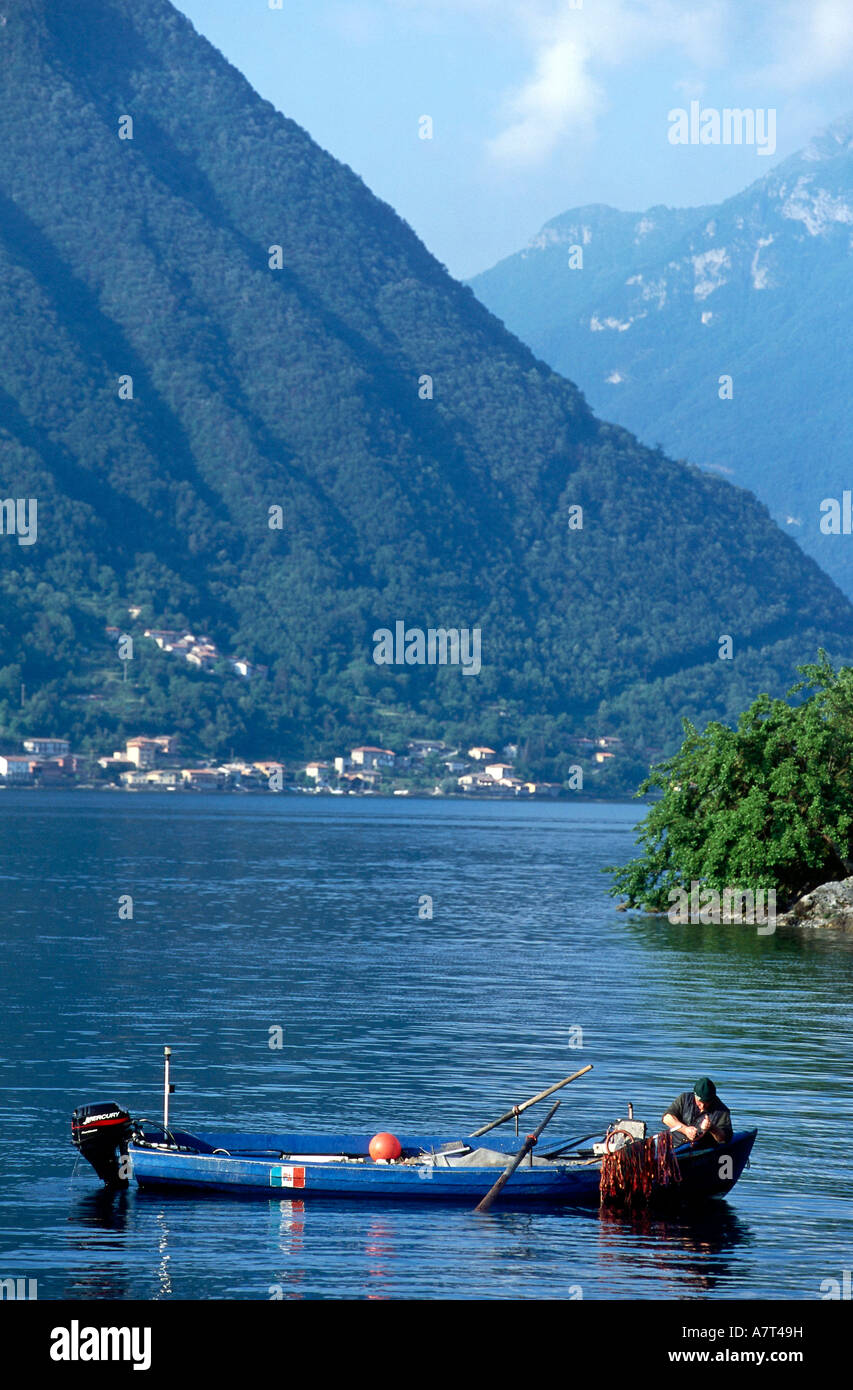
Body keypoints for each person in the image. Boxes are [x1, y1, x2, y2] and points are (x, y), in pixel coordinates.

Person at [662, 1076, 733, 1146]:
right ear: (695, 1096)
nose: (702, 1106)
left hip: (700, 1147)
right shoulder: (684, 1099)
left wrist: (712, 1128)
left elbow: (724, 1138)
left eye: (706, 1102)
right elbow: (667, 1118)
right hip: (673, 1144)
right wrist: (685, 1130)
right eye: (699, 1101)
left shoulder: (722, 1111)